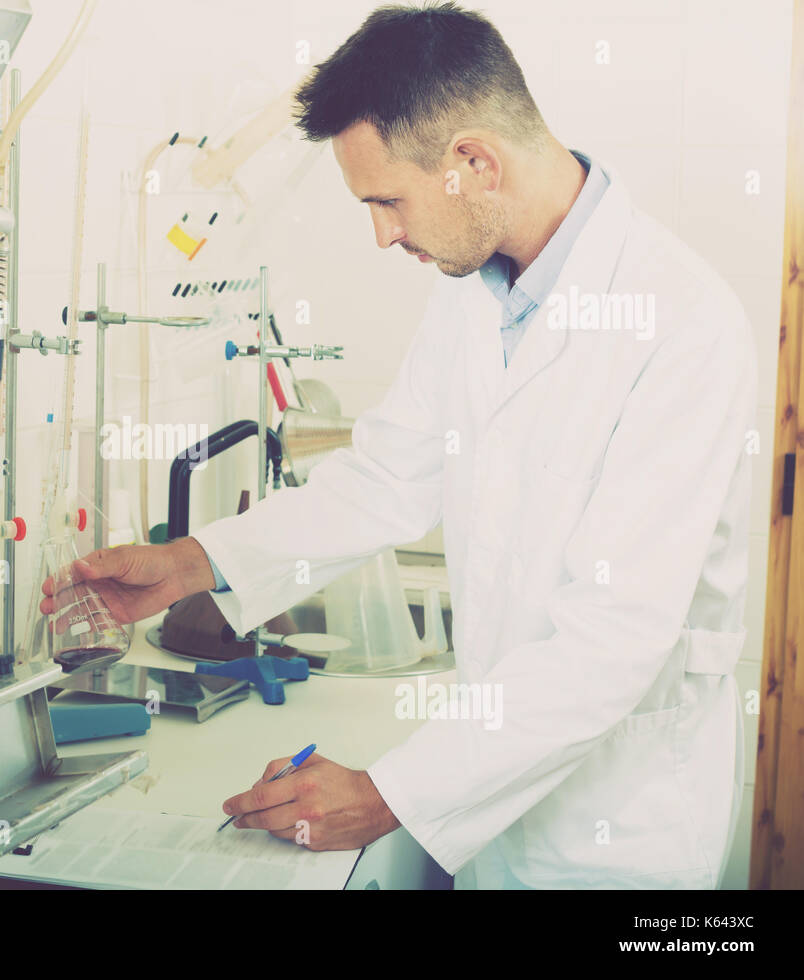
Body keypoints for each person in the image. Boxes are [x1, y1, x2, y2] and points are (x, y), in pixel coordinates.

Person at [42, 1, 754, 888]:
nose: (382, 233)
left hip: (619, 825)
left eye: (387, 200)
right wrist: (193, 561)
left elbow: (610, 642)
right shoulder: (475, 293)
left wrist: (392, 792)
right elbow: (385, 477)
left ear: (473, 163)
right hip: (494, 794)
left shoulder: (685, 323)